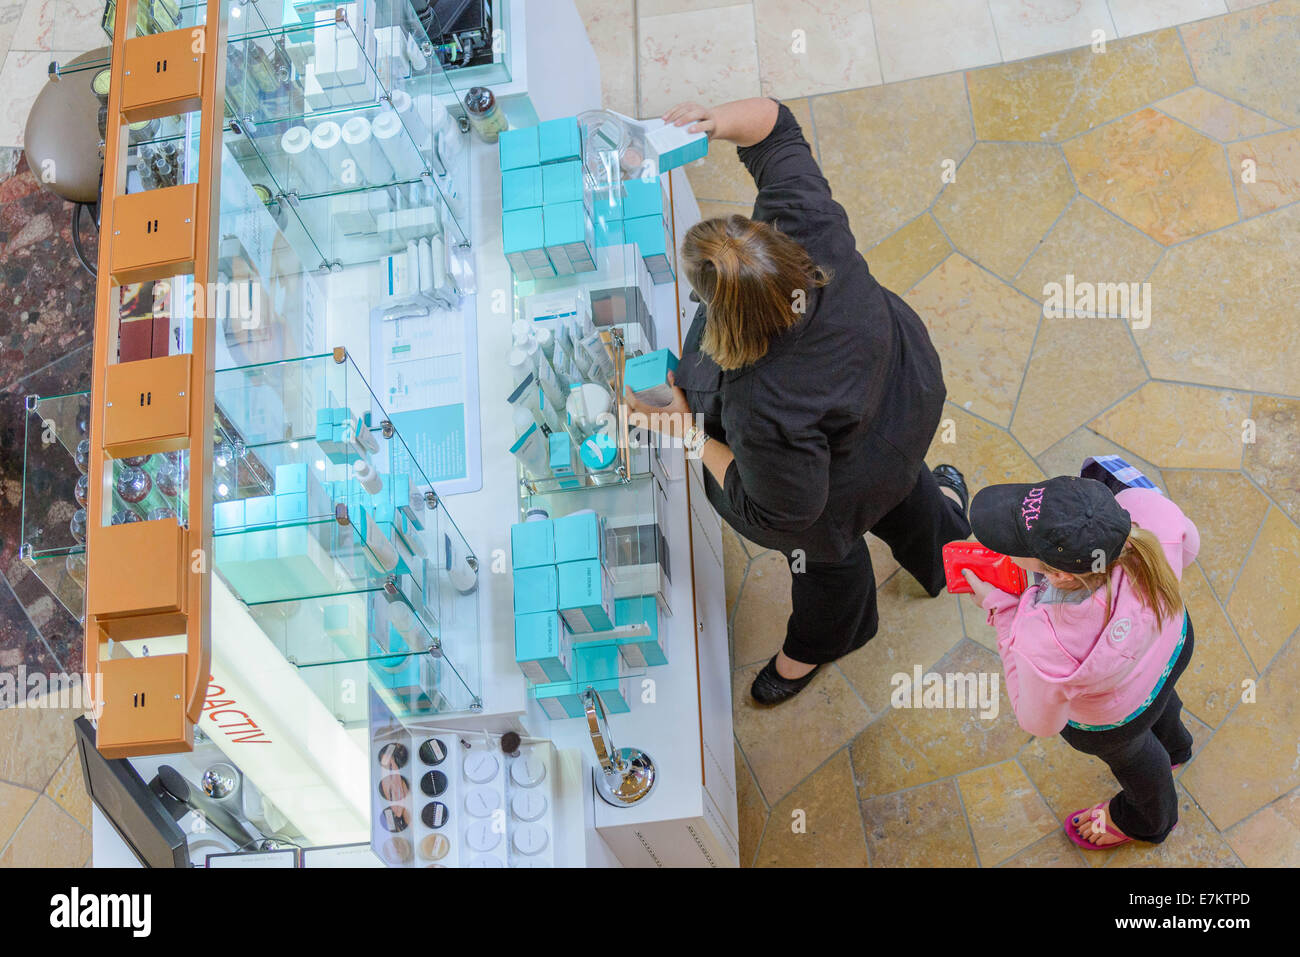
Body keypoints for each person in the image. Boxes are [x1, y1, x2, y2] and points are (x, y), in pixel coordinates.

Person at [622, 97, 971, 705]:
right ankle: (948, 553)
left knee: (827, 566)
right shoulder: (808, 225)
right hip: (900, 398)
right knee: (908, 488)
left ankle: (822, 642)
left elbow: (783, 513)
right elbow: (775, 127)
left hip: (834, 493)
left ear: (718, 312)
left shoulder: (763, 404)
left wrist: (686, 435)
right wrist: (711, 125)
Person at [960, 475, 1199, 849]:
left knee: (1135, 755)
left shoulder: (1042, 641)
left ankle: (1148, 822)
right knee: (1162, 704)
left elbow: (1038, 721)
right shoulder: (1149, 508)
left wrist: (1003, 609)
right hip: (1172, 648)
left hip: (1117, 718)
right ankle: (1177, 746)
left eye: (1014, 544)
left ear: (1057, 574)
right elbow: (1189, 548)